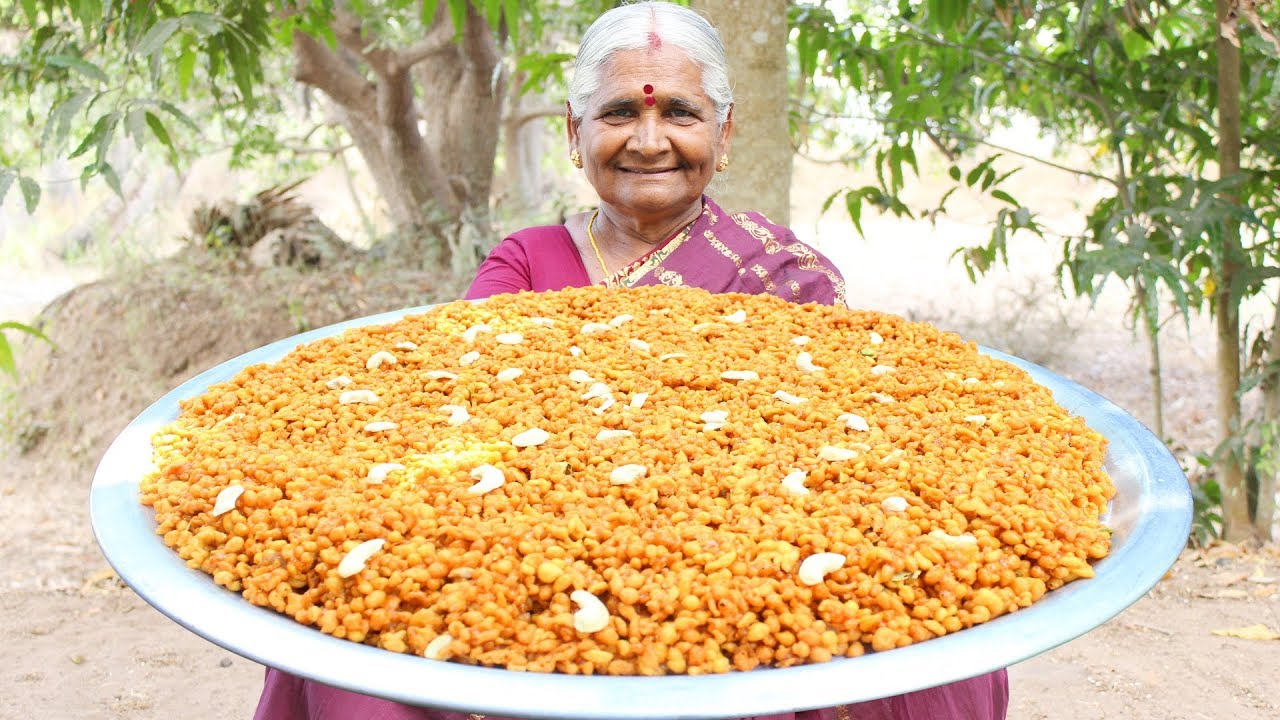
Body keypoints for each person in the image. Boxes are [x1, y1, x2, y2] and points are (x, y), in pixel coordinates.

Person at [254, 3, 1009, 718]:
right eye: (620, 113)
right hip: (533, 552)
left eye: (679, 112)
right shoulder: (527, 260)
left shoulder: (781, 273)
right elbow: (466, 409)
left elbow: (821, 453)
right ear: (576, 133)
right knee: (352, 601)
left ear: (725, 130)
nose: (649, 140)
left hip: (728, 560)